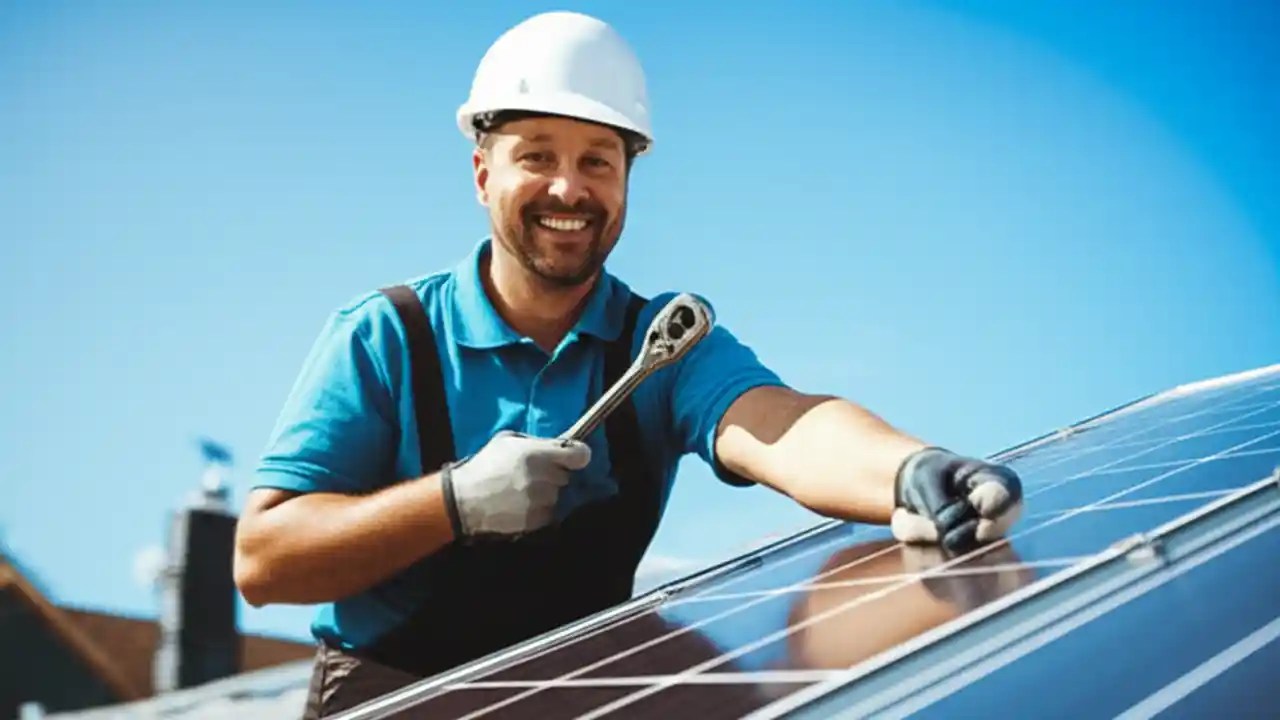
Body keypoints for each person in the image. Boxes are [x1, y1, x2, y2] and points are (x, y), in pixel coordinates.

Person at [232, 10, 1025, 718]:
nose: (568, 188)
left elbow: (780, 423)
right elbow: (263, 562)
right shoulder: (388, 337)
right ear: (483, 176)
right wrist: (453, 503)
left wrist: (908, 468)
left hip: (584, 691)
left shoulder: (662, 345)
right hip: (394, 698)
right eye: (536, 156)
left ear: (628, 179)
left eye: (598, 161)